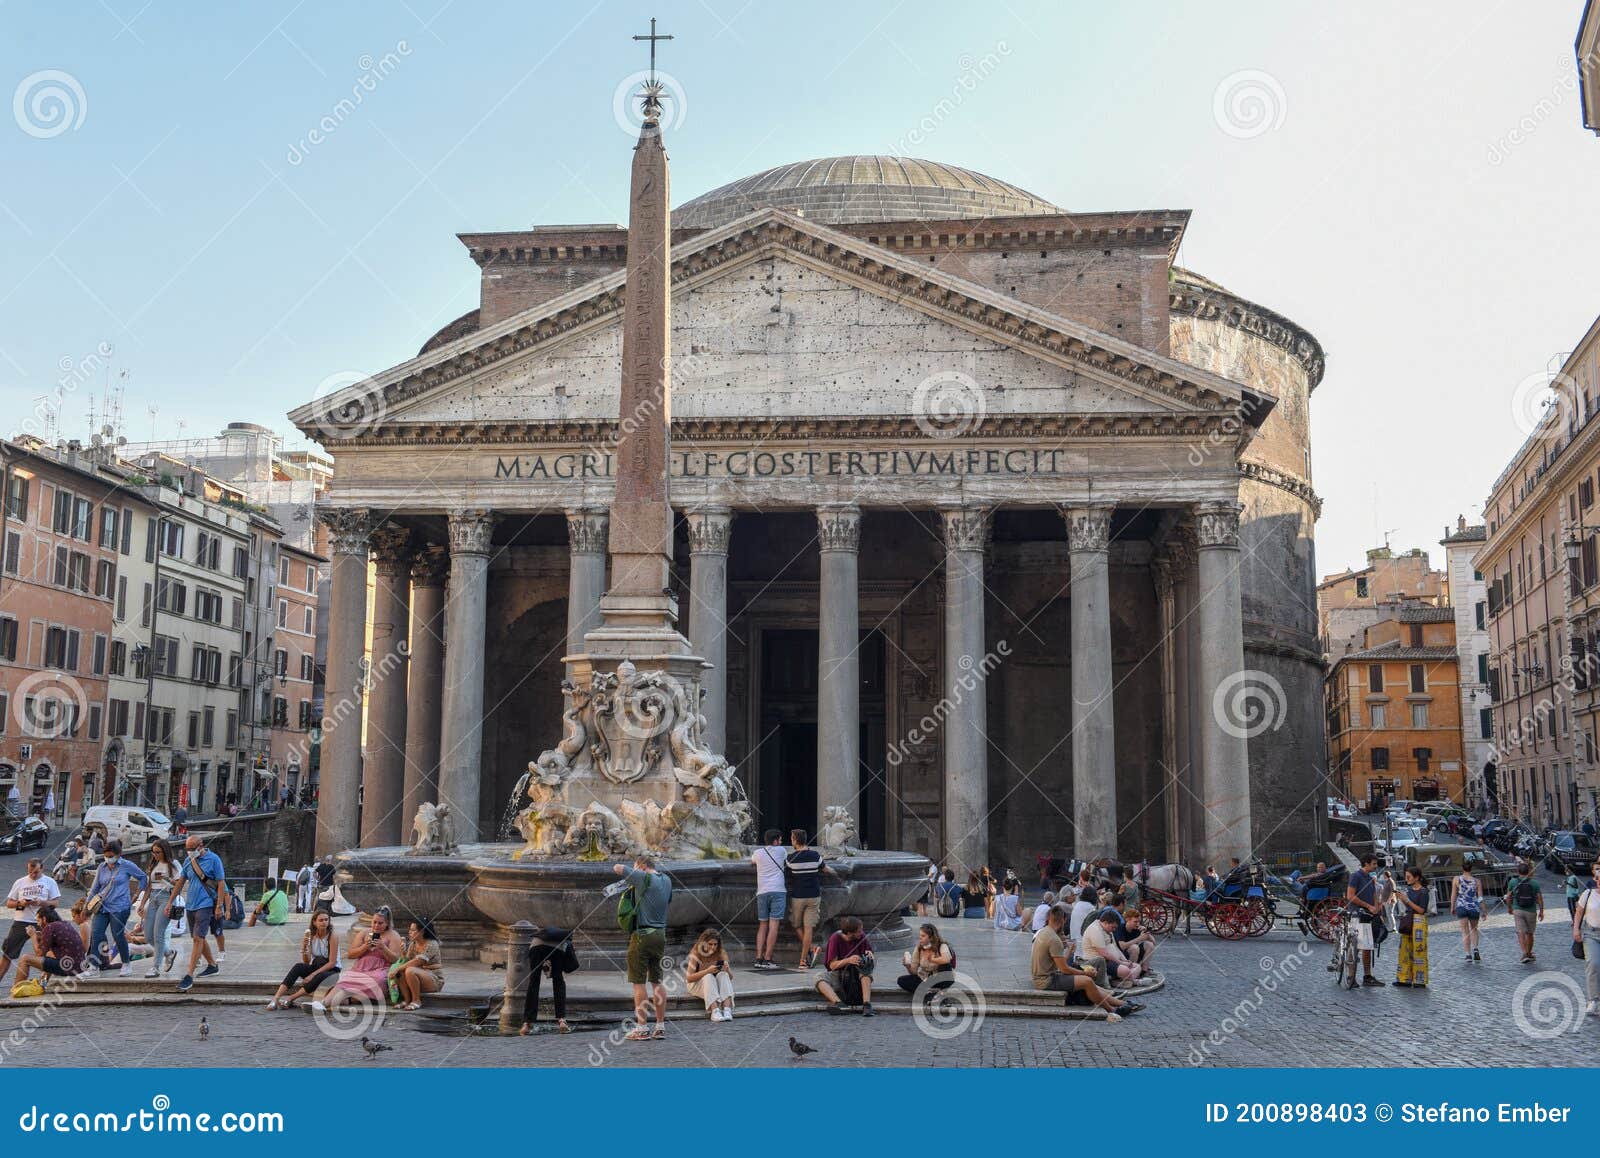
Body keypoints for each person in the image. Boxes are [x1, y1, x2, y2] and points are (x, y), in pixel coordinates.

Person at [1029, 904, 1139, 1019]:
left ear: (1048, 919)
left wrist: (1069, 952)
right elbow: (1064, 969)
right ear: (1063, 920)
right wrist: (1085, 973)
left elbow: (1060, 964)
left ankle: (1121, 1003)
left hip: (1044, 977)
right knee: (1087, 981)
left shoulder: (1043, 932)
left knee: (1090, 982)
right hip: (1046, 981)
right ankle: (1112, 1010)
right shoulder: (1054, 939)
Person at [613, 854, 672, 1041]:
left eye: (637, 867)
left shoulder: (642, 877)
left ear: (642, 866)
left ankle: (642, 1028)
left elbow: (617, 868)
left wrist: (634, 871)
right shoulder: (667, 880)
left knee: (638, 983)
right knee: (657, 981)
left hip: (642, 936)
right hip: (660, 935)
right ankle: (660, 1026)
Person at [315, 906, 403, 1013]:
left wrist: (383, 947)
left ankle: (347, 1000)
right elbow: (351, 954)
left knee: (378, 981)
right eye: (374, 922)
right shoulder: (364, 933)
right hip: (361, 968)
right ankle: (323, 1004)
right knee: (345, 980)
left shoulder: (393, 935)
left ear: (387, 923)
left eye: (380, 923)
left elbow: (395, 959)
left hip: (380, 969)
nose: (376, 925)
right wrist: (365, 946)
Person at [171, 834, 229, 993]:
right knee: (197, 938)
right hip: (191, 904)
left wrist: (220, 906)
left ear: (200, 845)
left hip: (207, 903)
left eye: (191, 848)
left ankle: (189, 975)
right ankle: (212, 965)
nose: (189, 851)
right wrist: (170, 901)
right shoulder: (188, 860)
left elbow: (221, 883)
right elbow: (180, 882)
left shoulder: (214, 859)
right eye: (187, 849)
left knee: (198, 938)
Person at [82, 839, 148, 977]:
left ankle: (126, 964)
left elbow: (143, 877)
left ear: (118, 854)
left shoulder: (127, 865)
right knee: (97, 934)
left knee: (118, 935)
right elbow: (94, 888)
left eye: (111, 856)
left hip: (120, 907)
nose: (108, 859)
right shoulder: (102, 867)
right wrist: (86, 906)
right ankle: (94, 966)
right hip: (102, 906)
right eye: (106, 856)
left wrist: (136, 895)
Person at [0, 858, 61, 984]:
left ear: (42, 869)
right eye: (30, 872)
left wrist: (42, 902)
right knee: (8, 953)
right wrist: (20, 903)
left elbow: (55, 903)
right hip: (21, 921)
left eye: (36, 872)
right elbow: (9, 903)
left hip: (43, 922)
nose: (33, 875)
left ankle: (43, 984)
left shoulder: (50, 882)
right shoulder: (20, 882)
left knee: (47, 953)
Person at [785, 829, 839, 969]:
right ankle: (805, 957)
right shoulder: (815, 855)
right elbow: (826, 869)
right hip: (814, 896)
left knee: (796, 925)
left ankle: (810, 951)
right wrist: (837, 874)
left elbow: (786, 873)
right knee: (808, 928)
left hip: (798, 897)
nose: (791, 840)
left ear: (795, 840)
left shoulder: (790, 858)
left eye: (791, 838)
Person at [268, 910, 340, 1009]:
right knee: (298, 967)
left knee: (319, 975)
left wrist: (312, 975)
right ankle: (276, 998)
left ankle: (291, 998)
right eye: (321, 920)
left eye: (326, 920)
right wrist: (305, 947)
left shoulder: (332, 936)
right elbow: (307, 961)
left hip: (332, 970)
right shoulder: (311, 935)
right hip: (317, 966)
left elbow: (332, 963)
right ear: (314, 922)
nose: (324, 922)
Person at [521, 925, 578, 1035]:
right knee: (558, 981)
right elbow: (570, 965)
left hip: (536, 947)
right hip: (557, 949)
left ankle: (526, 1024)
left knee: (534, 982)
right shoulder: (566, 942)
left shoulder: (540, 936)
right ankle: (562, 1021)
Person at [815, 914, 875, 1015]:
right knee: (818, 977)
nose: (861, 933)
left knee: (865, 971)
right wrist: (848, 960)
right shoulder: (835, 938)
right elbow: (832, 966)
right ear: (849, 933)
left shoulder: (861, 936)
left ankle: (867, 1005)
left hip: (857, 973)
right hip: (840, 974)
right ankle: (839, 1004)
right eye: (858, 931)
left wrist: (870, 955)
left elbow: (869, 953)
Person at [12, 905, 85, 987]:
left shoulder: (50, 927)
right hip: (78, 967)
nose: (38, 924)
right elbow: (47, 949)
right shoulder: (65, 924)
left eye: (38, 920)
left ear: (44, 919)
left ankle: (16, 989)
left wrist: (33, 935)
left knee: (25, 959)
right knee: (49, 954)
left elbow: (39, 953)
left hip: (68, 967)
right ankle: (42, 985)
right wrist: (41, 936)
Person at [139, 839, 180, 977]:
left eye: (158, 852)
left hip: (166, 897)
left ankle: (156, 967)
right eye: (153, 852)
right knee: (148, 935)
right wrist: (142, 903)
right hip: (153, 898)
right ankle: (169, 952)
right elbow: (149, 886)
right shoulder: (154, 864)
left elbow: (179, 884)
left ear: (165, 851)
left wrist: (165, 878)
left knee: (158, 934)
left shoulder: (173, 864)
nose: (155, 855)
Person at [1344, 852, 1385, 987]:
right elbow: (1350, 896)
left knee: (1367, 947)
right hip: (1357, 915)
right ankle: (1351, 977)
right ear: (1366, 863)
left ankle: (1367, 977)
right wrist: (1368, 906)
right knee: (1354, 947)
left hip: (1368, 916)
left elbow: (1373, 896)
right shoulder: (1355, 876)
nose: (1376, 866)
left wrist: (1377, 909)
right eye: (1374, 864)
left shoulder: (1370, 878)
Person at [749, 829, 788, 971]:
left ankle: (758, 958)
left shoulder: (758, 853)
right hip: (778, 891)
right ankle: (767, 959)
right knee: (774, 926)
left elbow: (752, 862)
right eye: (780, 839)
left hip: (762, 891)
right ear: (776, 841)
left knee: (763, 925)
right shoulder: (781, 851)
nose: (781, 842)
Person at [1081, 908, 1144, 987]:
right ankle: (1130, 980)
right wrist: (1121, 962)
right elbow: (1104, 954)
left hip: (1112, 960)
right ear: (1105, 923)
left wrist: (1125, 960)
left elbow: (1115, 947)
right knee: (1126, 970)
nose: (1114, 930)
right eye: (1113, 927)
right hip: (1100, 962)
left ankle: (1120, 980)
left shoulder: (1107, 930)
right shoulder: (1095, 930)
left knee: (1137, 967)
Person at [685, 928, 736, 1022]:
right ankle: (714, 1011)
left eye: (715, 944)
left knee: (723, 975)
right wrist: (707, 971)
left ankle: (727, 1009)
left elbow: (730, 978)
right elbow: (689, 978)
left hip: (714, 984)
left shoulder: (721, 952)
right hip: (695, 984)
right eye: (710, 944)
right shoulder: (696, 953)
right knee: (708, 976)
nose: (713, 947)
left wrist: (727, 970)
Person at [897, 923, 954, 1002]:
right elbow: (914, 972)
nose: (920, 938)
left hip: (940, 978)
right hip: (925, 979)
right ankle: (928, 995)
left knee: (945, 966)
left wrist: (932, 959)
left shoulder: (942, 946)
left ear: (931, 938)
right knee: (901, 980)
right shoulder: (919, 948)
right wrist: (907, 966)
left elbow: (946, 960)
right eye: (920, 935)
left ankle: (942, 993)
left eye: (923, 936)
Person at [395, 919, 445, 1011]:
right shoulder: (413, 944)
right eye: (410, 930)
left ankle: (416, 1000)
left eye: (413, 930)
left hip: (434, 979)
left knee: (409, 970)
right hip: (418, 976)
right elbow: (406, 961)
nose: (409, 932)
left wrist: (397, 969)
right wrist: (403, 952)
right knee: (401, 972)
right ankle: (407, 1000)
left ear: (422, 931)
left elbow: (418, 961)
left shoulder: (432, 944)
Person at [1502, 859, 1544, 964]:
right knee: (1530, 933)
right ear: (1528, 871)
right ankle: (1529, 953)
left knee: (1520, 932)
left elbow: (1508, 896)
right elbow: (1539, 898)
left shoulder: (1513, 882)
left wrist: (1509, 907)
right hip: (1531, 910)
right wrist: (1541, 911)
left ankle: (1524, 953)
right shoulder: (1534, 883)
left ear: (1518, 871)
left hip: (1518, 909)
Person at [1572, 859, 1600, 1018]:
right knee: (1593, 964)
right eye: (1598, 879)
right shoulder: (1588, 894)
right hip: (1591, 934)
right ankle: (1593, 1000)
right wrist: (1576, 929)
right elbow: (1578, 912)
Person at [1394, 865, 1430, 988]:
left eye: (1409, 877)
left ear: (1417, 878)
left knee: (1419, 952)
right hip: (1408, 920)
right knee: (1404, 950)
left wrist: (1407, 900)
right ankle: (1404, 978)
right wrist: (1403, 899)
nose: (1407, 879)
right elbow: (1410, 907)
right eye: (1406, 877)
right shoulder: (1409, 891)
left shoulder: (1424, 892)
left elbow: (1421, 910)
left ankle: (1419, 980)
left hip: (1419, 921)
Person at [1450, 861, 1483, 962]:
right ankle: (1475, 949)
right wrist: (1484, 910)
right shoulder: (1477, 881)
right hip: (1474, 907)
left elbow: (1454, 894)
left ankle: (1468, 955)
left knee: (1465, 931)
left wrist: (1452, 907)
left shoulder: (1456, 879)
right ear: (1471, 868)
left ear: (1462, 868)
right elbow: (1480, 897)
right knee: (1474, 929)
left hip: (1461, 906)